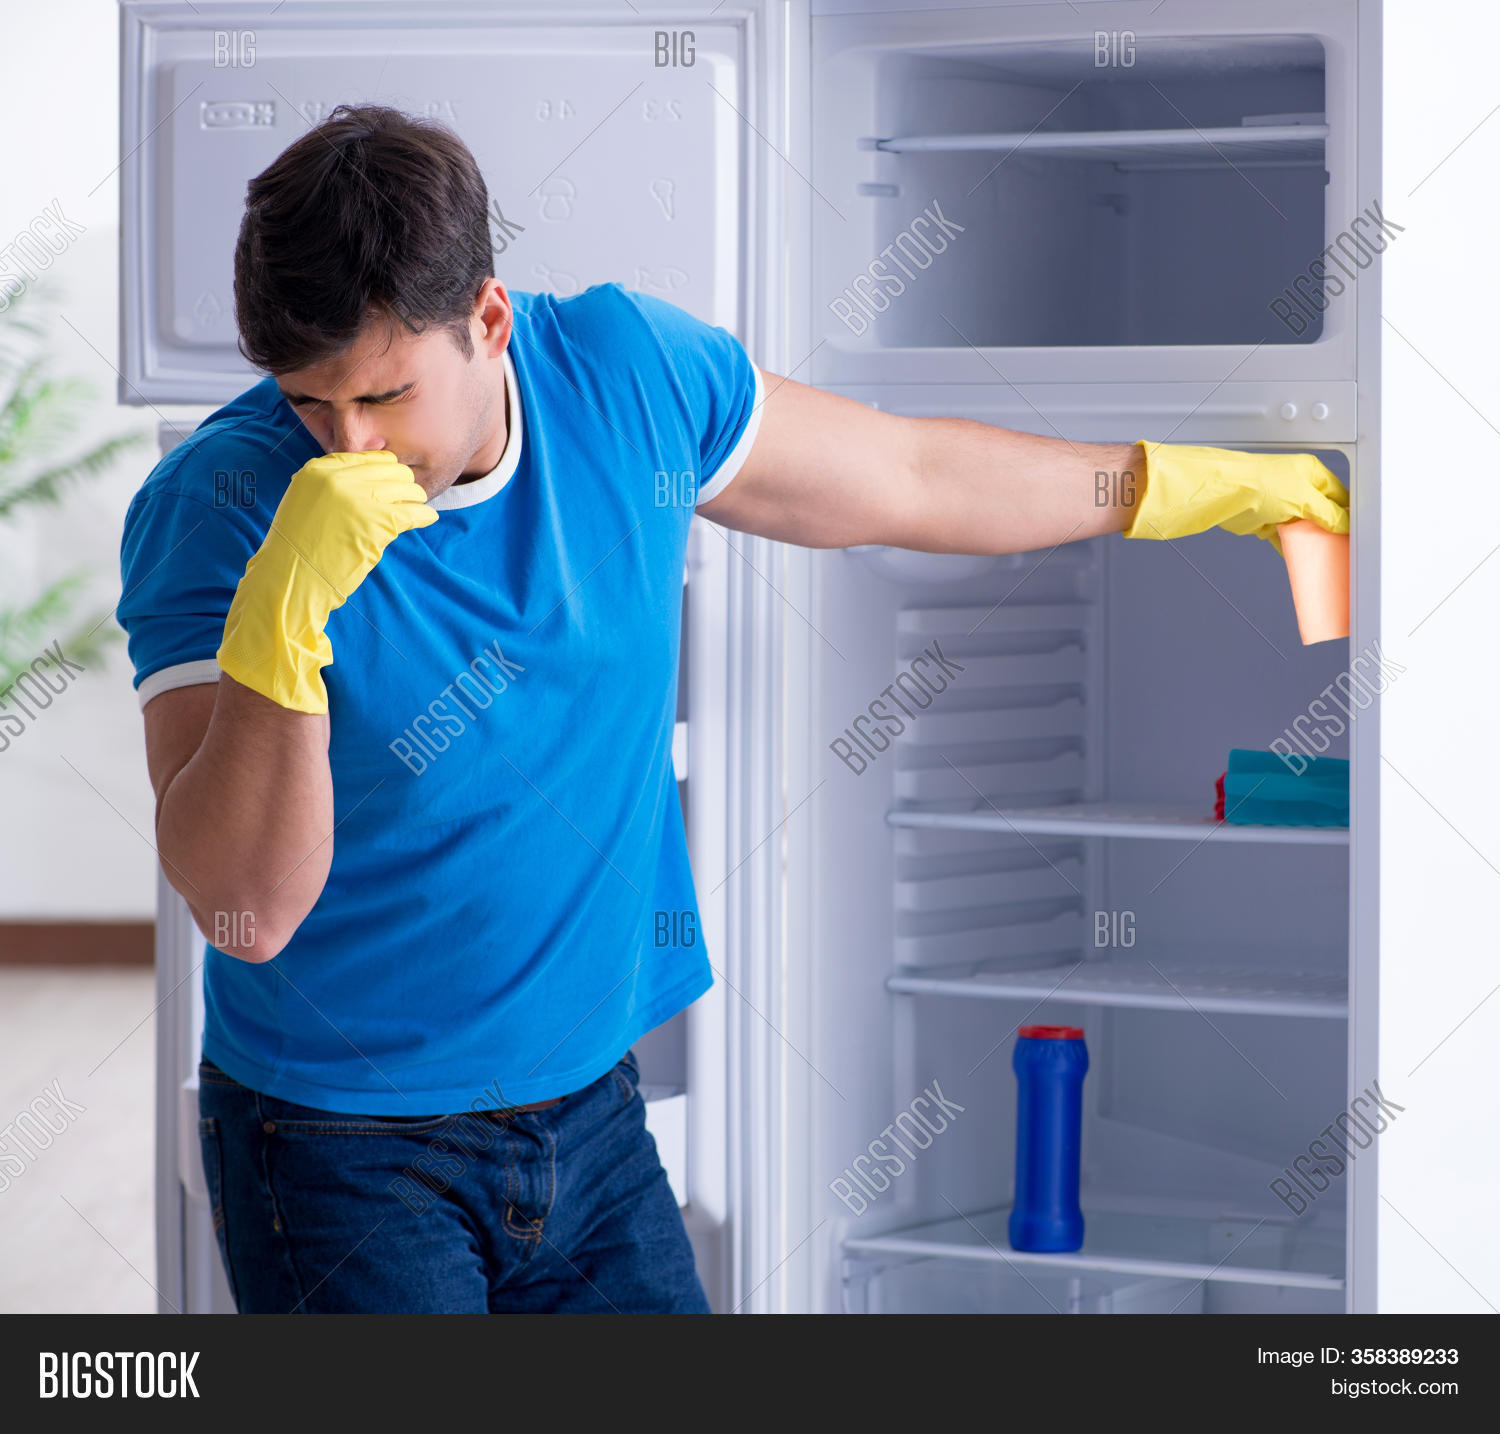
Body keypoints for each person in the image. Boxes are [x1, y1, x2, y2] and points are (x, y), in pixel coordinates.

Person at [116, 104, 1348, 1314]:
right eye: (308, 402)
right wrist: (280, 620)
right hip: (337, 1146)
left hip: (588, 1109)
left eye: (385, 398)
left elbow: (908, 476)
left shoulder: (625, 377)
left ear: (488, 320)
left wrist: (1167, 486)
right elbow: (247, 911)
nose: (345, 446)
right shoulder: (218, 507)